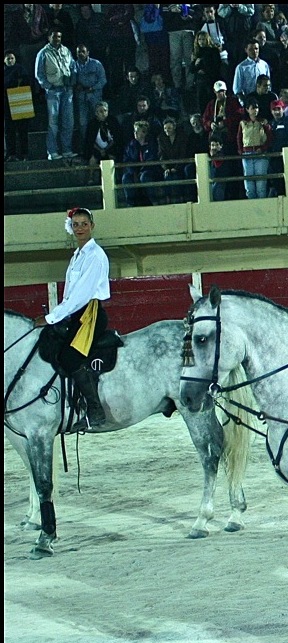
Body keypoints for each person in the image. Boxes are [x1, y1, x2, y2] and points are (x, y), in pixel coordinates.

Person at [34, 207, 111, 428]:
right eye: (76, 224)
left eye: (84, 224)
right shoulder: (78, 255)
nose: (80, 228)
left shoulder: (95, 256)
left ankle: (95, 411)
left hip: (89, 314)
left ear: (92, 226)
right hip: (77, 313)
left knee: (70, 358)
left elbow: (80, 295)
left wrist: (51, 317)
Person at [35, 30, 75, 160]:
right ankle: (52, 151)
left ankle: (67, 150)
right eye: (55, 36)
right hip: (53, 92)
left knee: (68, 122)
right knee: (53, 122)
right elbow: (39, 74)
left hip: (67, 90)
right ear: (49, 37)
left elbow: (73, 66)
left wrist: (72, 81)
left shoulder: (66, 50)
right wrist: (48, 86)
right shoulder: (43, 53)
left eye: (59, 36)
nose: (57, 39)